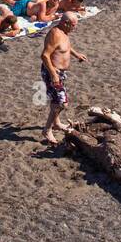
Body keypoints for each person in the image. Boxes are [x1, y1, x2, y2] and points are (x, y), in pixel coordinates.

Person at [40, 13, 87, 144]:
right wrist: (54, 74)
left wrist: (77, 55)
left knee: (57, 100)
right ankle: (47, 130)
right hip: (52, 72)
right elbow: (44, 56)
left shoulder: (64, 32)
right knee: (61, 103)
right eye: (73, 25)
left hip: (60, 72)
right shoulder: (55, 34)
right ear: (65, 23)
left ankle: (56, 123)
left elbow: (65, 46)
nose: (74, 28)